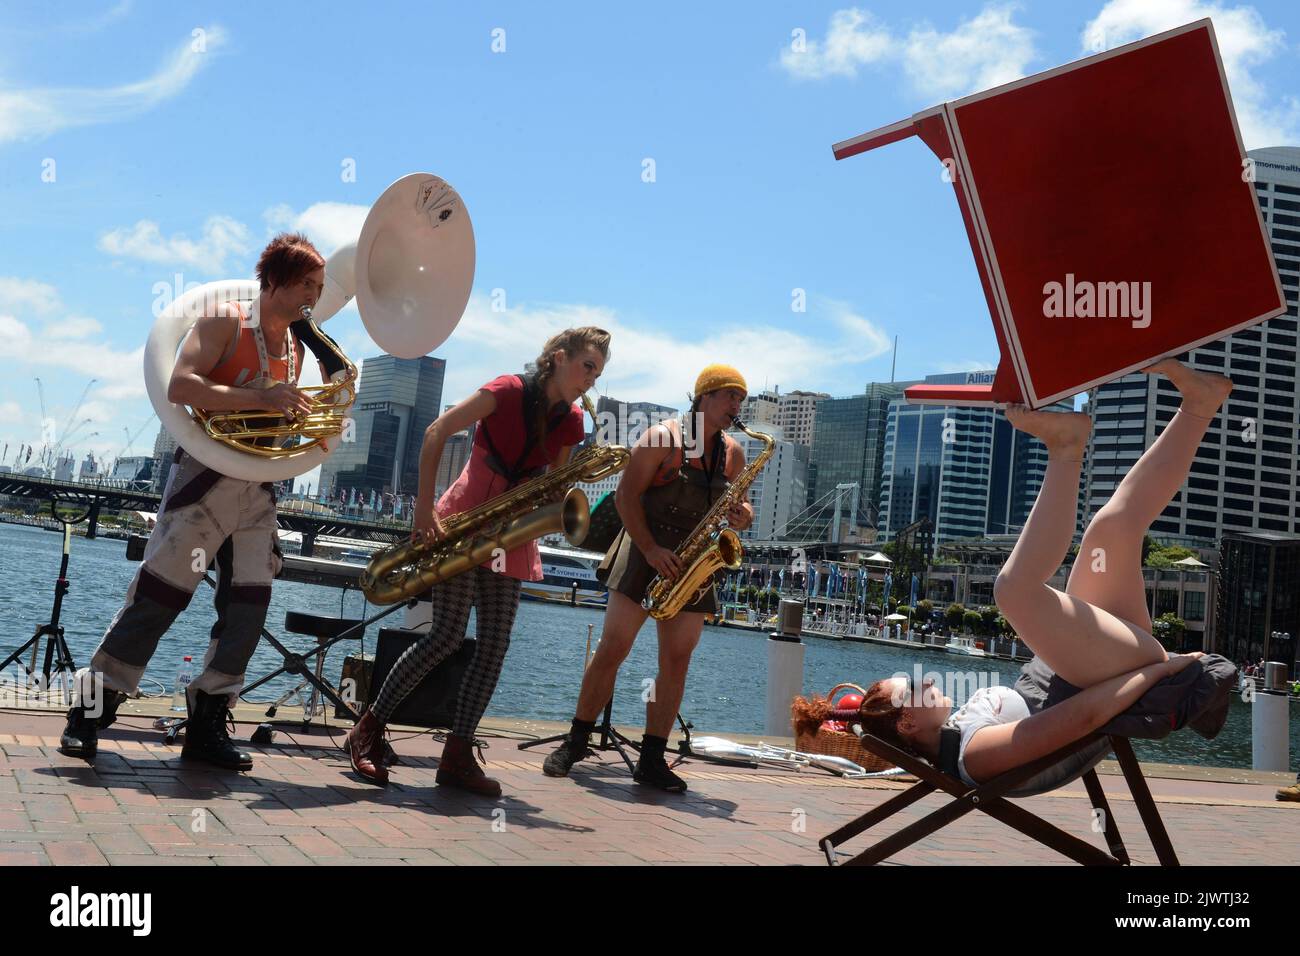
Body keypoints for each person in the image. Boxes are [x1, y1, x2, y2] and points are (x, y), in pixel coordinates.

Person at [795, 360, 1228, 788]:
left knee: (1112, 528)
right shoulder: (974, 755)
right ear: (908, 723)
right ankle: (1065, 450)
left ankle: (1199, 403)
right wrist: (1159, 670)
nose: (926, 678)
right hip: (1095, 680)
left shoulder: (956, 730)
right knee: (1014, 591)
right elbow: (1085, 717)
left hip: (1079, 666)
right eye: (913, 686)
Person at [60, 233, 324, 769]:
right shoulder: (225, 320)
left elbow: (269, 410)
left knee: (248, 609)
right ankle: (85, 721)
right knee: (157, 599)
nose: (314, 299)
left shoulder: (298, 345)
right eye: (307, 286)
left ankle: (206, 727)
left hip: (256, 489)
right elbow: (181, 385)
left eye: (319, 288)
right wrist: (264, 398)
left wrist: (292, 416)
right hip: (205, 481)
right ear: (273, 280)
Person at [345, 327, 610, 793]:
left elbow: (552, 487)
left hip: (513, 530)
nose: (591, 380)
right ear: (558, 358)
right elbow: (436, 430)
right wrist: (423, 506)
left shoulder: (570, 421)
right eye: (587, 367)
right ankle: (367, 729)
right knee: (444, 637)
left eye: (599, 373)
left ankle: (457, 754)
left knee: (494, 647)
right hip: (464, 519)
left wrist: (577, 474)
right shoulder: (506, 389)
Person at [541, 365, 754, 791]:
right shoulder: (663, 437)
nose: (736, 406)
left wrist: (743, 517)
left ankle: (653, 758)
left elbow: (743, 513)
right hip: (644, 550)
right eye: (730, 396)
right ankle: (576, 740)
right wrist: (653, 551)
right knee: (614, 648)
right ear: (703, 396)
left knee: (676, 662)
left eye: (740, 400)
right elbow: (625, 497)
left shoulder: (733, 454)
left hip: (692, 563)